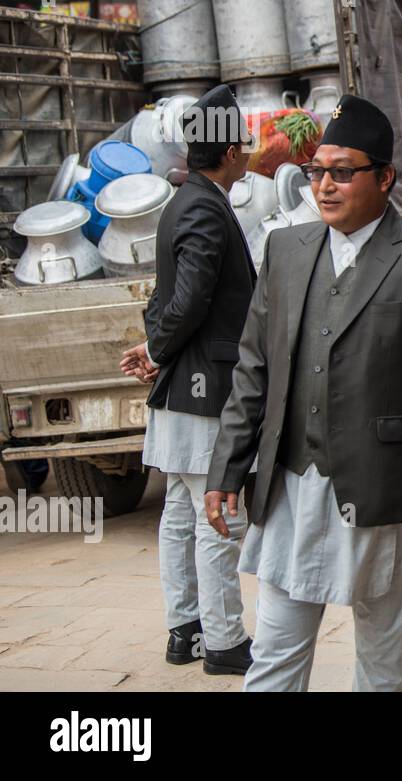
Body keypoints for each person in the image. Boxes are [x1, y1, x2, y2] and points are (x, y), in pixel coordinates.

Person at [203, 94, 402, 692]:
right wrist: (226, 468)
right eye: (316, 172)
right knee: (275, 653)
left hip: (387, 491)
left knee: (384, 663)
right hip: (293, 486)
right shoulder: (286, 250)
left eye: (343, 172)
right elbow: (254, 369)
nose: (325, 185)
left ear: (384, 178)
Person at [119, 84, 255, 677]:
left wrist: (157, 351)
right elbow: (192, 299)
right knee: (216, 514)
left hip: (181, 382)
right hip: (202, 388)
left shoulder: (185, 199)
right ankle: (223, 641)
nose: (249, 155)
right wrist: (156, 348)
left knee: (179, 511)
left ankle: (186, 631)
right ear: (227, 152)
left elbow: (169, 299)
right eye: (243, 147)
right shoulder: (203, 206)